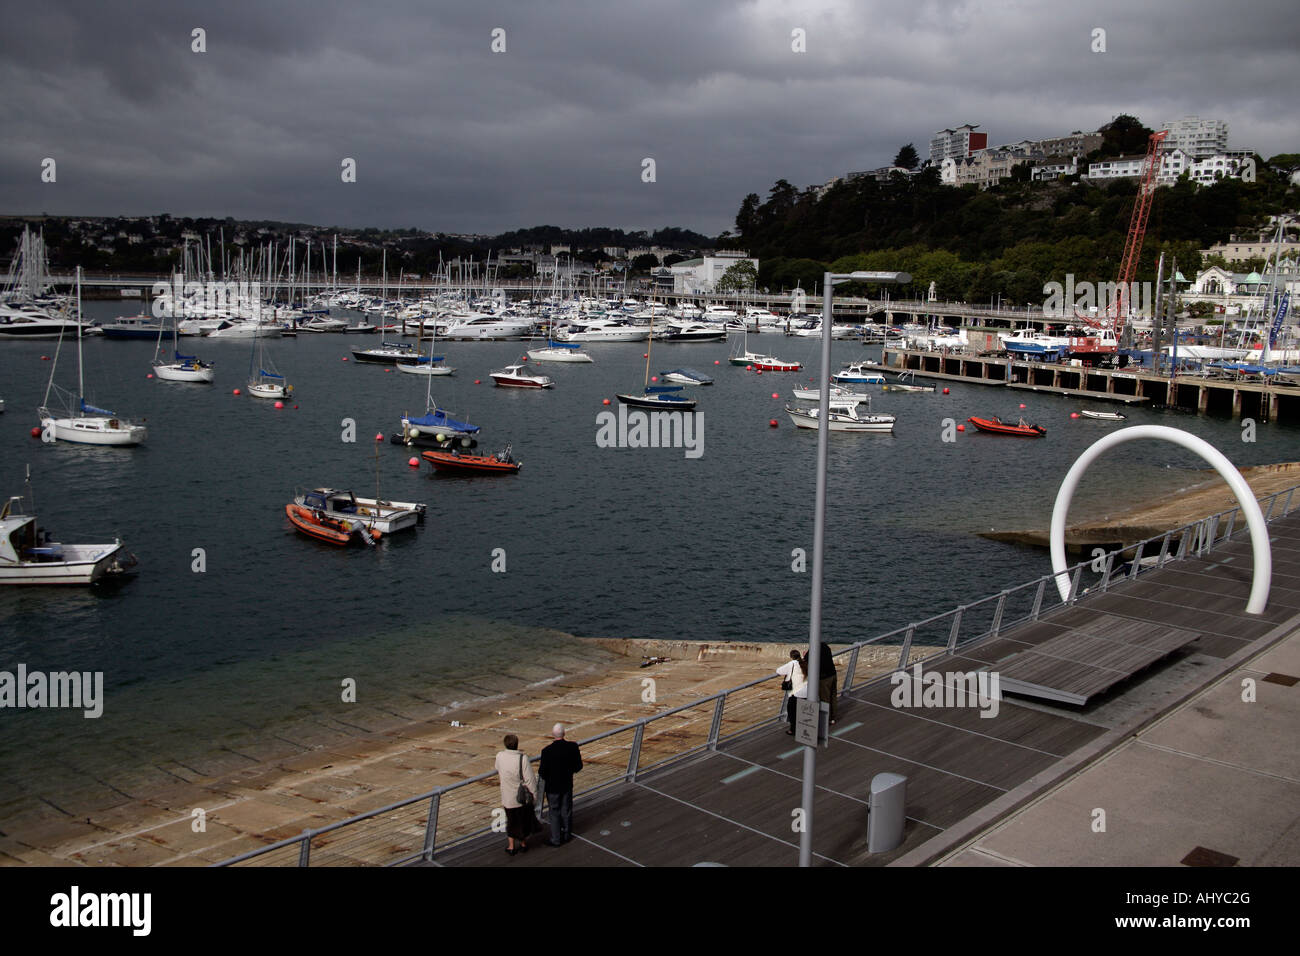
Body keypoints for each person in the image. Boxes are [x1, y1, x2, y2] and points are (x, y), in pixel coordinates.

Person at [495, 733, 540, 856]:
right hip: (521, 797)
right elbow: (530, 780)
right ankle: (523, 843)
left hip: (507, 796)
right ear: (517, 744)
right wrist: (534, 796)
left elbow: (497, 767)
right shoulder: (522, 758)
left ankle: (511, 846)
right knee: (522, 821)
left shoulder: (500, 756)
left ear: (505, 744)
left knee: (511, 821)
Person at [538, 723, 583, 846]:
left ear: (553, 735)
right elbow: (578, 766)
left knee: (554, 812)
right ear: (564, 733)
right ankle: (567, 834)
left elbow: (542, 772)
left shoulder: (546, 751)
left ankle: (556, 839)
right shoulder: (572, 747)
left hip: (552, 787)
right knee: (566, 809)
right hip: (567, 784)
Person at [776, 649, 808, 734]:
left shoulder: (792, 664)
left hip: (796, 693)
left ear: (791, 656)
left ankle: (793, 730)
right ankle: (805, 728)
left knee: (792, 712)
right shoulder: (805, 663)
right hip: (807, 691)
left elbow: (778, 671)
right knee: (803, 711)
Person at [816, 641, 838, 724]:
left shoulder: (814, 649)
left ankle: (826, 719)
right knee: (833, 697)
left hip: (824, 678)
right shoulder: (826, 647)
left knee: (825, 699)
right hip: (832, 674)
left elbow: (807, 659)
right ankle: (833, 717)